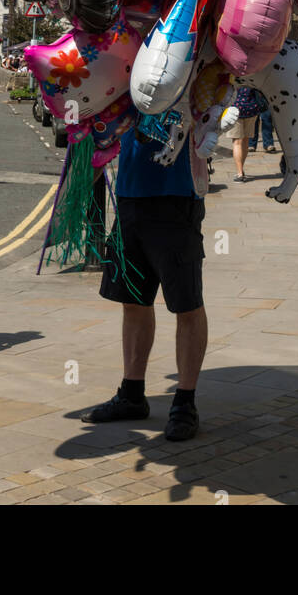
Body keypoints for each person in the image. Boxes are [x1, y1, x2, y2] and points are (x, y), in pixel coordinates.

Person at [86, 103, 210, 442]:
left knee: (186, 304)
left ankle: (184, 402)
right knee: (133, 301)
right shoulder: (127, 67)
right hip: (129, 194)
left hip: (176, 195)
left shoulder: (189, 63)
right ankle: (132, 393)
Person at [228, 85, 264, 182]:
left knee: (237, 142)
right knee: (245, 141)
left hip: (234, 108)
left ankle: (239, 173)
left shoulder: (232, 73)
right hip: (251, 108)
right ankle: (241, 170)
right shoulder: (252, 72)